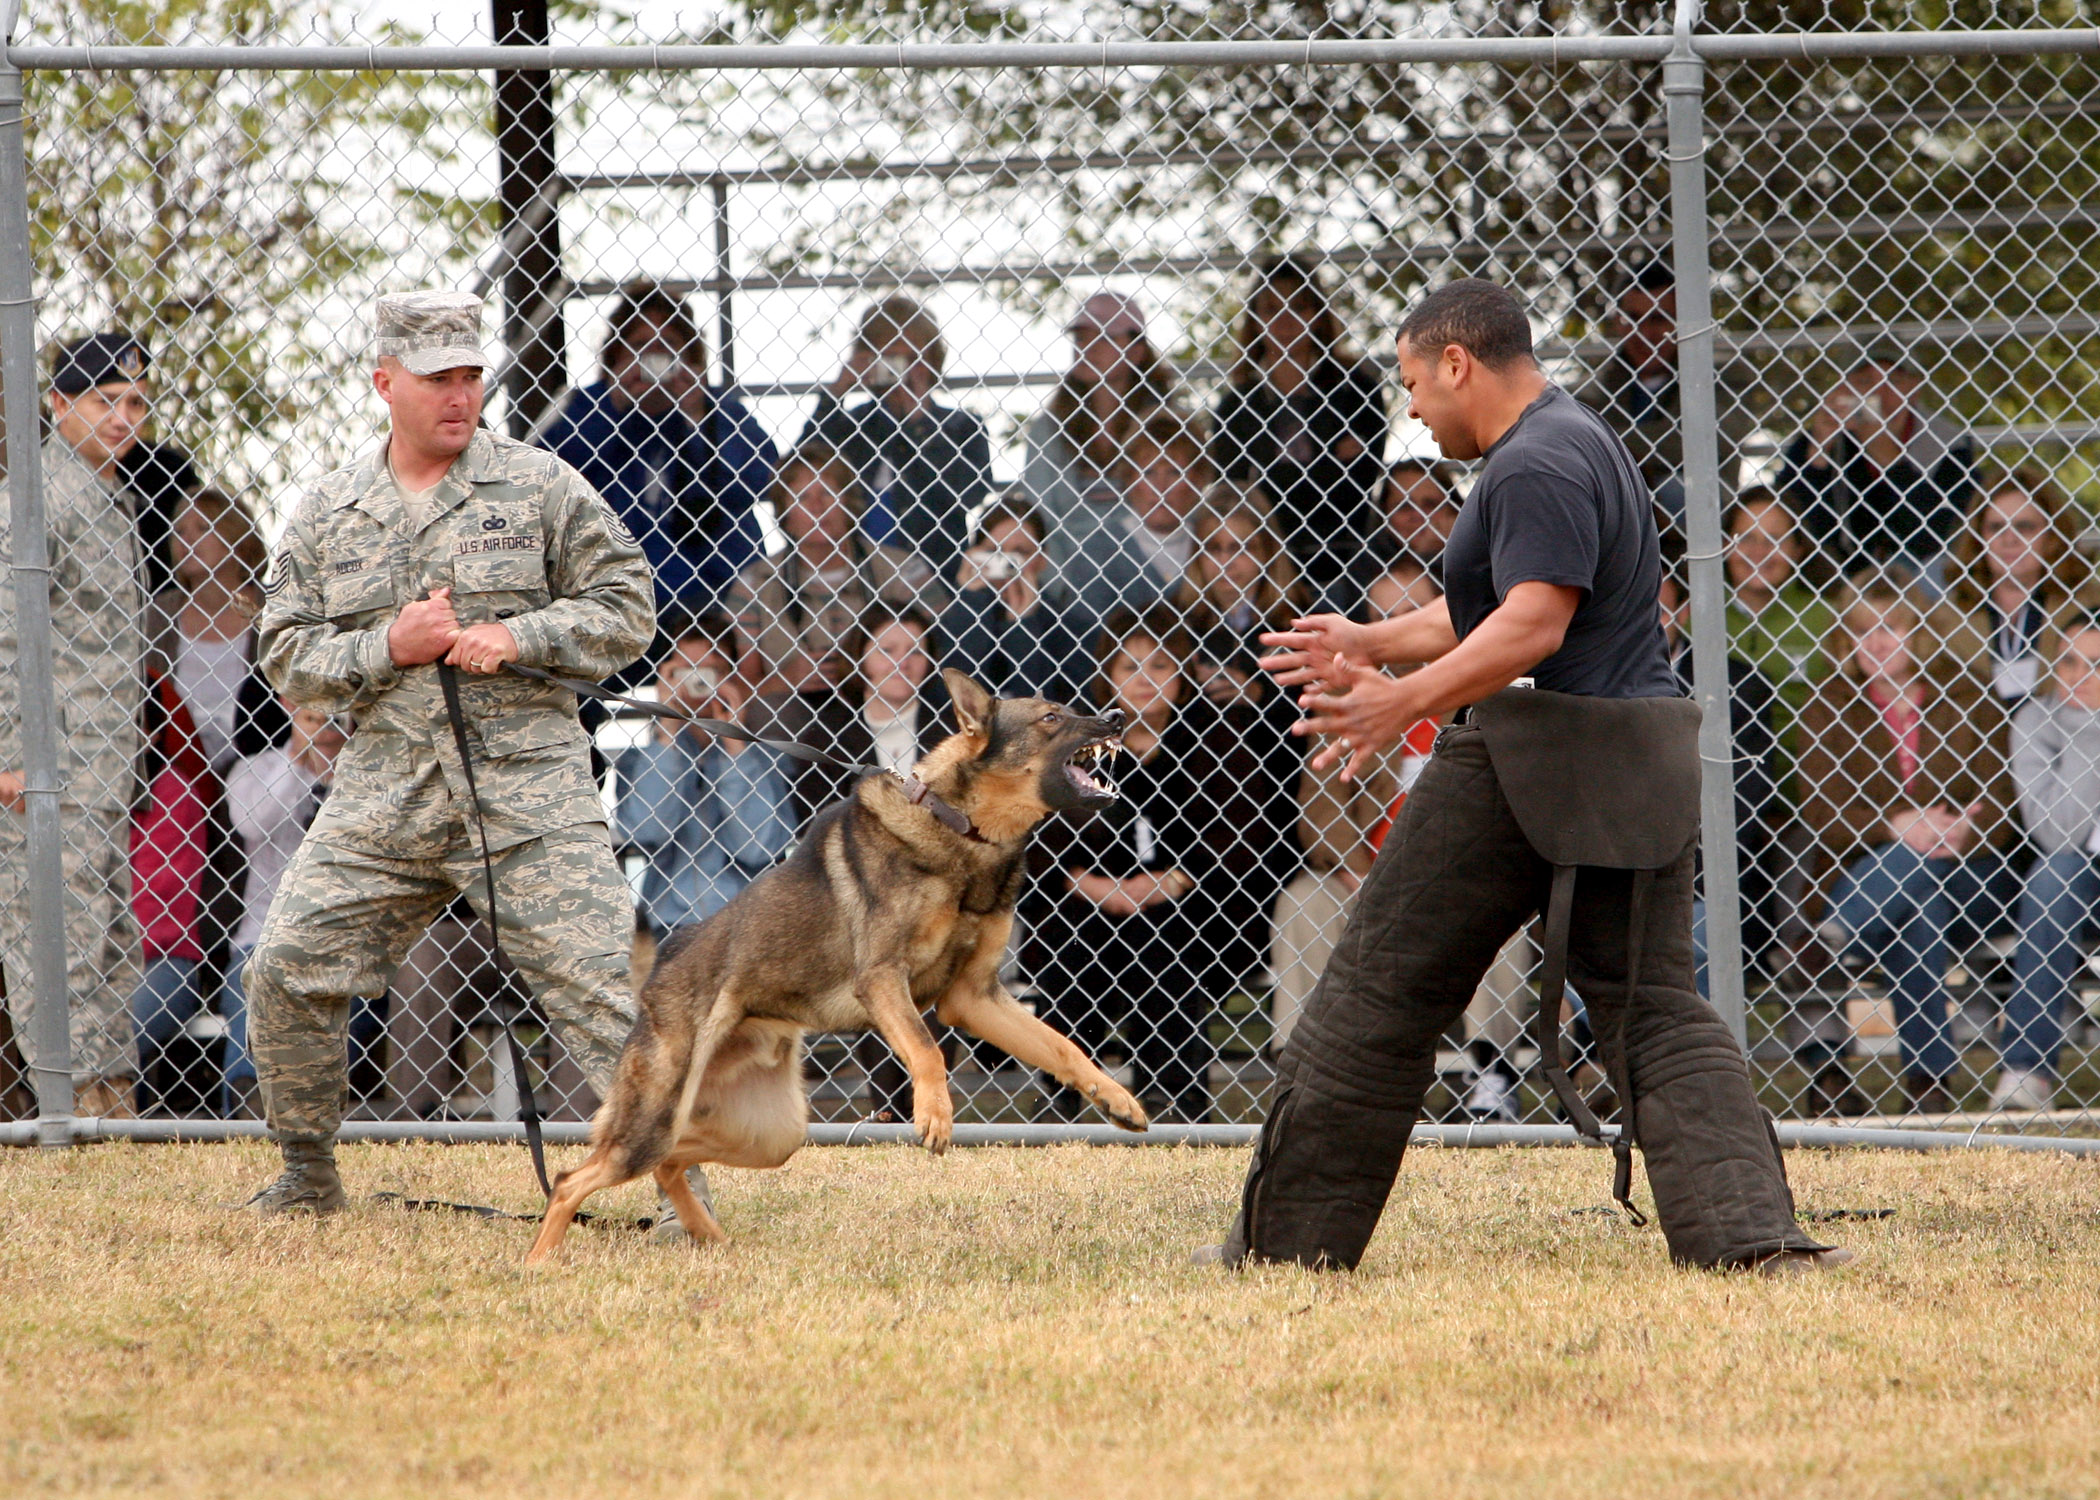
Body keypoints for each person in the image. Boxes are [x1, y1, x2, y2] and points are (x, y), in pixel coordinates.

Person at [1208, 278, 1838, 1273]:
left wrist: (1402, 702)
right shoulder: (1574, 439)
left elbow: (1533, 625)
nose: (1410, 407)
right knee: (1657, 1008)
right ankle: (1753, 1241)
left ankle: (1286, 1248)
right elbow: (1497, 611)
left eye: (1415, 381)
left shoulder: (1534, 463)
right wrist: (1372, 638)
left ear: (1458, 363)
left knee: (1376, 997)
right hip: (1631, 761)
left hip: (1527, 758)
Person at [239, 290, 656, 1214]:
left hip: (529, 790)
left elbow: (629, 607)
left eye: (471, 376)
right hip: (385, 792)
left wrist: (524, 635)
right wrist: (388, 646)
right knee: (286, 966)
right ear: (385, 382)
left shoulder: (541, 486)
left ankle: (678, 1188)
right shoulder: (327, 511)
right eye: (437, 379)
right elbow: (283, 654)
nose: (459, 395)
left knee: (604, 990)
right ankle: (307, 1175)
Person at [1026, 610, 1287, 1123]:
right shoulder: (1073, 744)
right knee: (1067, 940)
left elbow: (1243, 832)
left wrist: (1168, 881)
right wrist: (1096, 886)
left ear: (1182, 673)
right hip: (1089, 900)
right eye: (1130, 667)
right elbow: (1039, 836)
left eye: (1160, 666)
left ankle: (1176, 1103)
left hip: (1190, 900)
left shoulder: (1216, 735)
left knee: (1167, 945)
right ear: (1109, 676)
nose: (1145, 680)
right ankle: (1059, 1098)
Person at [0, 332, 155, 1118]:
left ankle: (110, 1097)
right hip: (49, 761)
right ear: (57, 404)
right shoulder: (35, 497)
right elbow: (3, 631)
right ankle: (74, 1102)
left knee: (105, 933)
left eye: (136, 402)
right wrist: (10, 756)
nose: (124, 417)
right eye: (104, 399)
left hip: (103, 766)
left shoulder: (110, 495)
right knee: (52, 936)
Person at [1796, 581, 2012, 1115]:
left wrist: (1958, 833)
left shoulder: (1970, 695)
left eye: (1890, 627)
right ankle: (1928, 1083)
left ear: (1918, 634)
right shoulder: (1826, 704)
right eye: (1862, 630)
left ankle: (1841, 933)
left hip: (1971, 874)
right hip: (1866, 871)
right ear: (1845, 642)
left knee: (1919, 879)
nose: (1877, 642)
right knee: (1918, 909)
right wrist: (1897, 824)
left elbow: (2006, 803)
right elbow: (1822, 814)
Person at [130, 490, 288, 1112]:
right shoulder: (161, 614)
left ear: (236, 535)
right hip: (178, 783)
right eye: (180, 528)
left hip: (254, 769)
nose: (187, 538)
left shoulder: (264, 613)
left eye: (204, 527)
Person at [538, 281, 775, 619]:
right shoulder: (585, 405)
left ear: (690, 356)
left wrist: (697, 416)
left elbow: (758, 476)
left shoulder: (718, 408)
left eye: (667, 346)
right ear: (616, 354)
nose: (652, 358)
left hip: (714, 588)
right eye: (639, 346)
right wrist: (613, 403)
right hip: (609, 591)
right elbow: (547, 476)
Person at [1212, 254, 1388, 614]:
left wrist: (1270, 478)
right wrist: (1329, 463)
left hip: (1345, 561)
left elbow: (1357, 485)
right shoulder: (1236, 407)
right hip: (1263, 573)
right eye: (1272, 308)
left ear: (1318, 315)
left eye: (1299, 306)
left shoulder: (1356, 391)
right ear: (1256, 320)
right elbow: (1238, 503)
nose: (1285, 320)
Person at [615, 628, 796, 938]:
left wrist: (734, 747)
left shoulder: (768, 758)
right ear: (667, 678)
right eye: (685, 671)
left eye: (709, 672)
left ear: (731, 678)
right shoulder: (639, 759)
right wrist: (668, 730)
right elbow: (647, 830)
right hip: (668, 927)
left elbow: (757, 848)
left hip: (749, 923)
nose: (697, 683)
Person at [801, 295, 993, 585]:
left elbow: (970, 495)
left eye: (914, 359)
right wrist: (836, 392)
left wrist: (919, 422)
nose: (903, 371)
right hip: (855, 575)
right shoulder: (850, 426)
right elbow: (801, 467)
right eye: (891, 359)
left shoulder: (961, 427)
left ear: (932, 361)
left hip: (936, 573)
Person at [1993, 611, 2100, 1112]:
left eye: (2095, 664)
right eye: (2069, 661)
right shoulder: (2036, 720)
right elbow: (2058, 833)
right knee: (2052, 875)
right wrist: (2088, 733)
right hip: (2082, 874)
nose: (2079, 676)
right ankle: (2026, 1071)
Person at [220, 701, 347, 1118]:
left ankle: (315, 1109)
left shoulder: (367, 768)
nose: (326, 715)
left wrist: (337, 764)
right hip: (265, 930)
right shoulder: (255, 768)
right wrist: (298, 754)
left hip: (346, 934)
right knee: (255, 984)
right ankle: (249, 1096)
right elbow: (251, 823)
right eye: (313, 707)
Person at [1573, 259, 1752, 533]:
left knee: (1674, 491)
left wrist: (1605, 442)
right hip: (1614, 516)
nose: (1645, 333)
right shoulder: (1591, 390)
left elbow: (1709, 439)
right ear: (1617, 322)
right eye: (1632, 319)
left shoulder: (1722, 374)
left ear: (1681, 321)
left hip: (1697, 521)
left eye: (1658, 319)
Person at [729, 442, 921, 694]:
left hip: (886, 702)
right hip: (790, 713)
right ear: (783, 510)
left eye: (828, 493)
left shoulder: (903, 570)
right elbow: (736, 687)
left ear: (849, 503)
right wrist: (786, 679)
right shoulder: (754, 583)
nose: (817, 507)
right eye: (802, 496)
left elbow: (945, 653)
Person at [1781, 353, 1978, 589]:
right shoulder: (1822, 439)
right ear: (1846, 388)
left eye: (1893, 382)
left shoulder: (1948, 442)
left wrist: (1888, 459)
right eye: (1865, 382)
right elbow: (1791, 520)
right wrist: (1818, 452)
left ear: (1914, 389)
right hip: (1839, 577)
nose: (1879, 395)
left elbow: (1942, 532)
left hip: (1920, 580)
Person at [1022, 292, 1181, 572]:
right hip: (1067, 575)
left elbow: (1175, 511)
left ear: (1136, 350)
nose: (1088, 348)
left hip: (1149, 568)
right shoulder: (1048, 429)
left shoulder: (1164, 426)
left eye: (1105, 337)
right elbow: (1040, 519)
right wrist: (1062, 591)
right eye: (1081, 338)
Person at [1932, 467, 2093, 709]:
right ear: (1978, 538)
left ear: (2052, 537)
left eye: (2025, 527)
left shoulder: (2090, 604)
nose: (2009, 539)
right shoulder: (1945, 617)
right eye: (1996, 527)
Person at [1055, 410, 1212, 644]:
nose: (1160, 487)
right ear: (1128, 479)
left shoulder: (1214, 543)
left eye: (1174, 472)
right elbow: (1081, 645)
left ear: (1198, 479)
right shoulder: (1100, 551)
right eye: (1148, 472)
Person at [937, 498, 1090, 705]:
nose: (1006, 561)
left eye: (1019, 553)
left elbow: (1043, 706)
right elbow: (953, 697)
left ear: (1042, 558)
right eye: (993, 551)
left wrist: (1023, 626)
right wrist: (969, 601)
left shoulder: (1072, 630)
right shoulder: (952, 620)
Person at [1376, 458, 1463, 578]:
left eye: (1431, 504)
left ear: (1453, 510)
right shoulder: (1362, 569)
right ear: (1385, 514)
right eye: (1404, 506)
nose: (1418, 515)